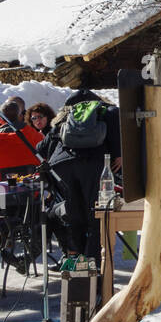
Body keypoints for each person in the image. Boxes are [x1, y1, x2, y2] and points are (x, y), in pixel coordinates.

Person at [37, 89, 121, 266]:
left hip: (63, 167)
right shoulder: (106, 111)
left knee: (74, 213)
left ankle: (76, 263)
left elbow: (41, 147)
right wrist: (118, 154)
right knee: (96, 214)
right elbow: (116, 131)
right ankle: (93, 266)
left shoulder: (66, 116)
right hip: (95, 165)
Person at [0, 99, 43, 179]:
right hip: (33, 186)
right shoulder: (37, 136)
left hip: (1, 188)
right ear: (20, 116)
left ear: (0, 119)